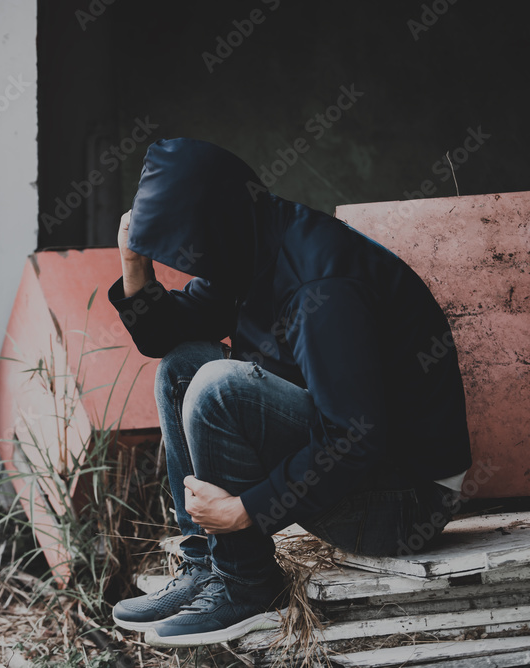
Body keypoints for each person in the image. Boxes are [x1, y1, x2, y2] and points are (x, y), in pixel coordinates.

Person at [106, 138, 471, 648]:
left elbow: (356, 436)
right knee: (182, 367)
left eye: (194, 252)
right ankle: (205, 563)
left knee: (218, 387)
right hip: (365, 468)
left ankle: (247, 583)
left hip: (407, 500)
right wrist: (135, 265)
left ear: (218, 229)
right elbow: (168, 339)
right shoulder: (249, 241)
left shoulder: (320, 287)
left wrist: (245, 511)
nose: (193, 266)